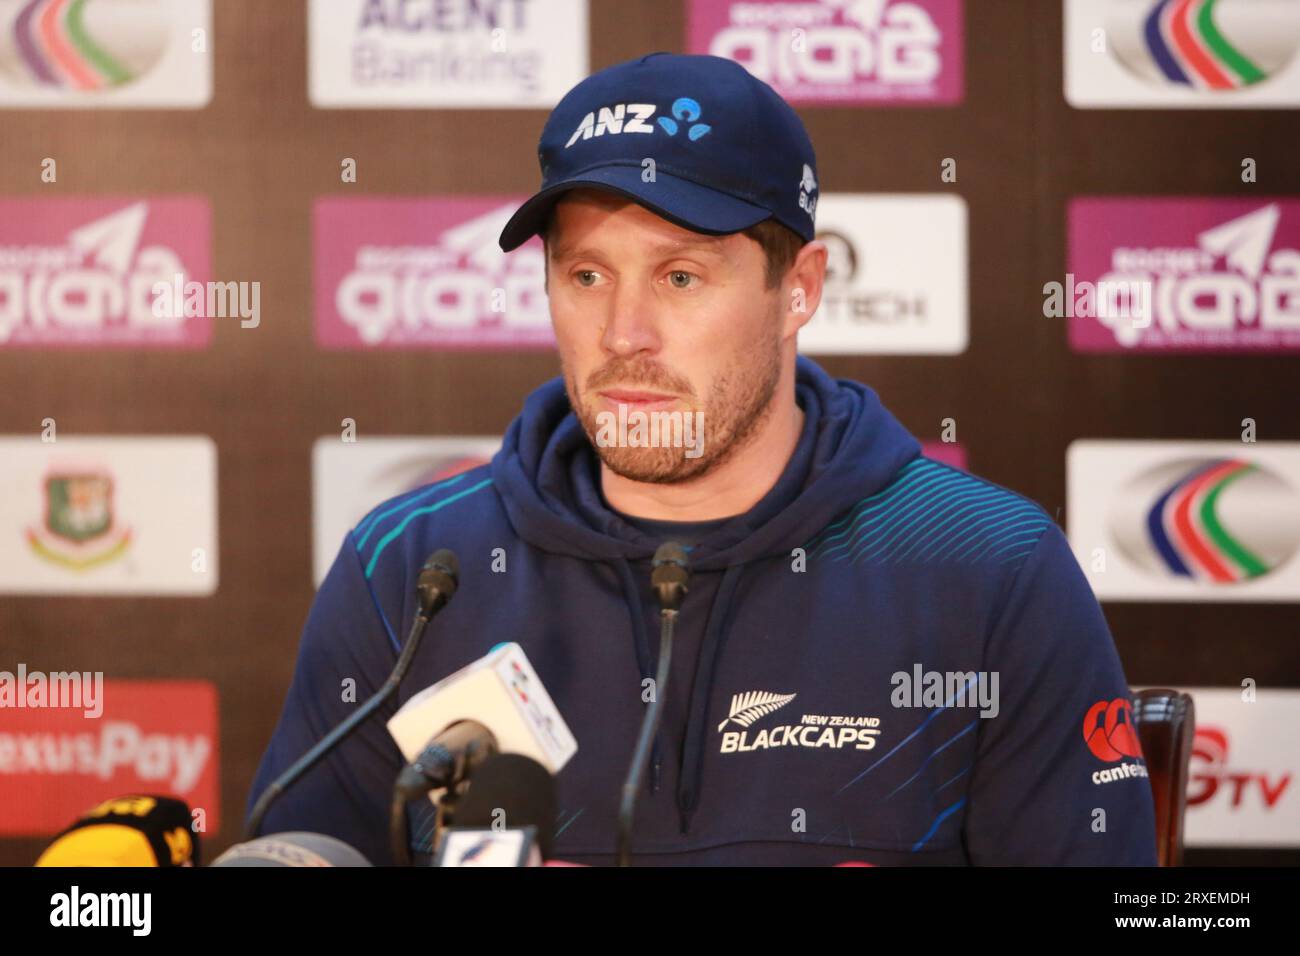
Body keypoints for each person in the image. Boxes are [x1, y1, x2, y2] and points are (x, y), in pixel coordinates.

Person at [247, 52, 1157, 866]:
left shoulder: (987, 567)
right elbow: (310, 844)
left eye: (680, 276)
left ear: (798, 289)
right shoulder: (410, 568)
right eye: (587, 276)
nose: (623, 335)